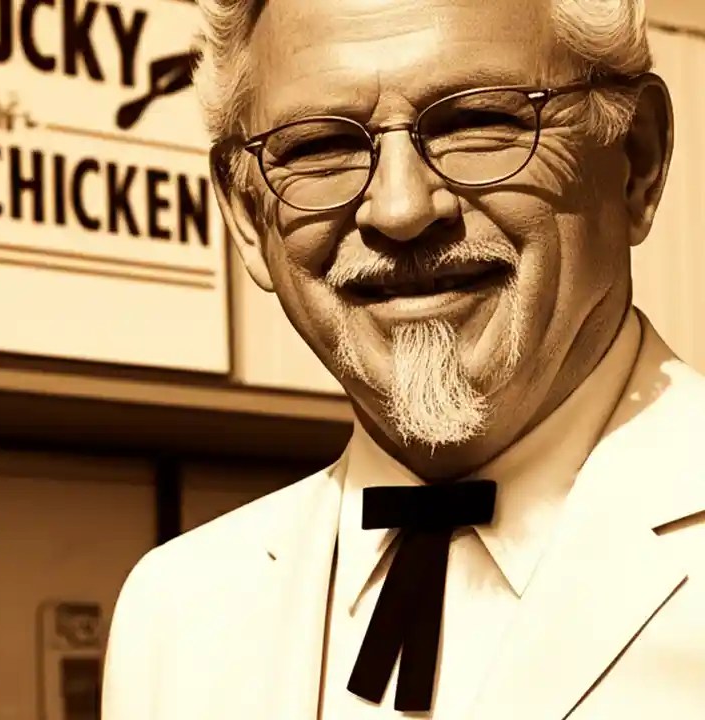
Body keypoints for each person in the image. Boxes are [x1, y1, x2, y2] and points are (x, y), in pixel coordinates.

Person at [101, 0, 705, 718]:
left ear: (637, 158)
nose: (399, 209)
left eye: (477, 120)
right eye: (319, 147)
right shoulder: (177, 614)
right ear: (243, 214)